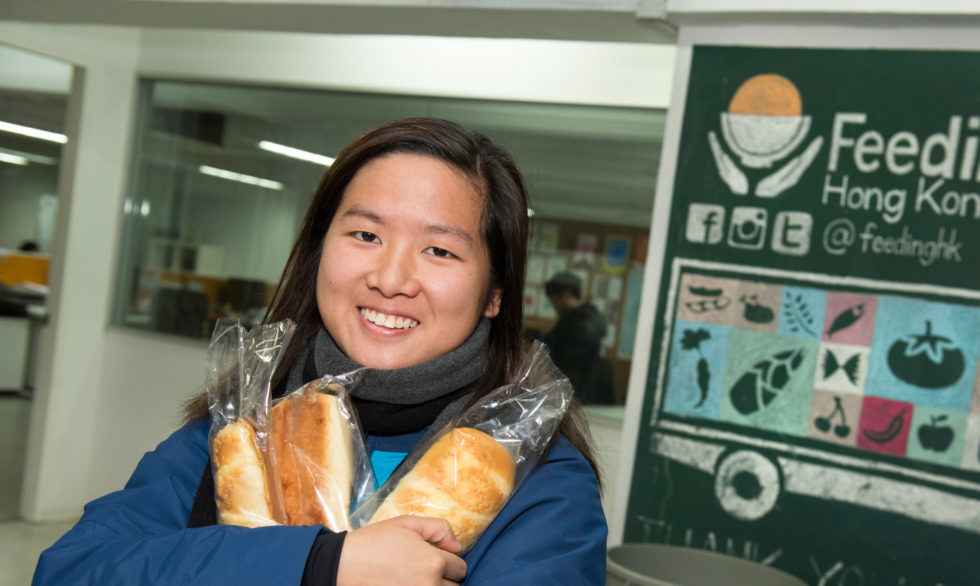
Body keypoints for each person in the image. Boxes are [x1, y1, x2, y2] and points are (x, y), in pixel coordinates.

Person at [32, 118, 607, 585]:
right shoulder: (242, 431)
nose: (390, 278)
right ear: (319, 253)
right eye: (365, 235)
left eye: (438, 250)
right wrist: (320, 564)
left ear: (494, 295)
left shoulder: (538, 482)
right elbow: (71, 570)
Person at [543, 272, 614, 405]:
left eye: (555, 301)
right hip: (577, 397)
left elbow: (564, 366)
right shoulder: (585, 320)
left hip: (578, 398)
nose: (554, 306)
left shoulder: (579, 326)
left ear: (567, 295)